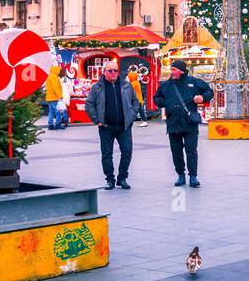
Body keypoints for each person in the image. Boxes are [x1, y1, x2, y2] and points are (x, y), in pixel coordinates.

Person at [153, 59, 214, 188]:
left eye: (174, 69)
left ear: (181, 70)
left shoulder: (193, 82)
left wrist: (203, 98)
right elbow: (156, 98)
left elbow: (209, 91)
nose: (172, 72)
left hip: (190, 123)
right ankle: (180, 175)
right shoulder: (166, 85)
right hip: (173, 123)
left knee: (191, 151)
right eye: (171, 69)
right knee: (176, 151)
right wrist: (166, 103)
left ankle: (193, 176)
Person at [84, 60, 140, 190]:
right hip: (106, 126)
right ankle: (110, 179)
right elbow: (89, 104)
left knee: (127, 152)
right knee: (106, 154)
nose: (114, 73)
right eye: (111, 71)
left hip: (124, 126)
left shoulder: (126, 85)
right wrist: (96, 120)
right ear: (105, 72)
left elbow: (135, 102)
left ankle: (122, 178)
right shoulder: (97, 87)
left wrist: (131, 116)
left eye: (115, 70)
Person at [44, 65, 65, 130]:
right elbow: (55, 87)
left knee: (51, 112)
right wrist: (60, 96)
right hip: (54, 97)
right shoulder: (54, 77)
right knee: (58, 111)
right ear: (57, 71)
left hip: (50, 98)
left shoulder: (50, 76)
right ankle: (57, 124)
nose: (59, 73)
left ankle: (50, 125)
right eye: (59, 71)